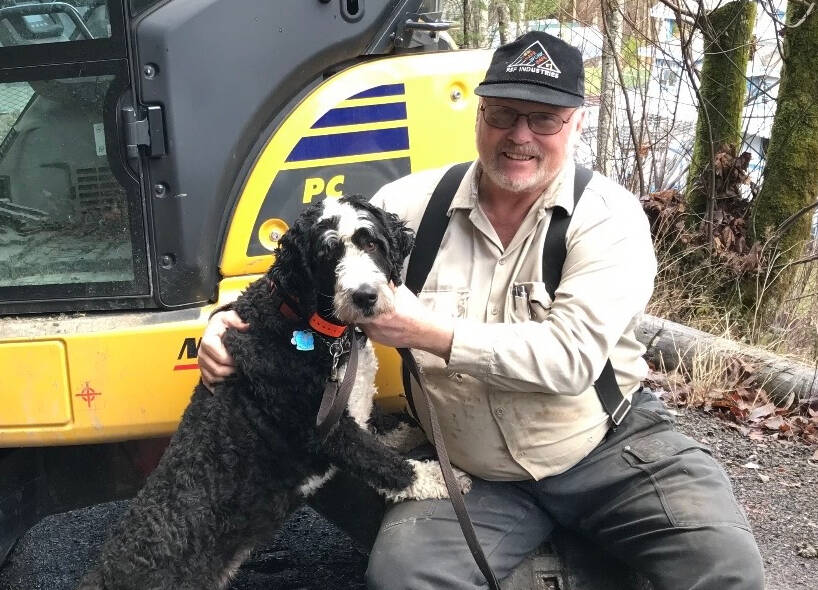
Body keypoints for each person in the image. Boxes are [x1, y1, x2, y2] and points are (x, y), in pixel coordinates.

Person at [199, 31, 764, 590]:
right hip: (473, 471)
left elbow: (569, 361)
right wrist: (227, 324)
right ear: (479, 115)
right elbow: (300, 268)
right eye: (503, 114)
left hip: (606, 446)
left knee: (726, 566)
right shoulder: (410, 206)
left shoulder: (609, 220)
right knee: (405, 577)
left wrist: (431, 332)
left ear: (577, 123)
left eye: (544, 119)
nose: (520, 137)